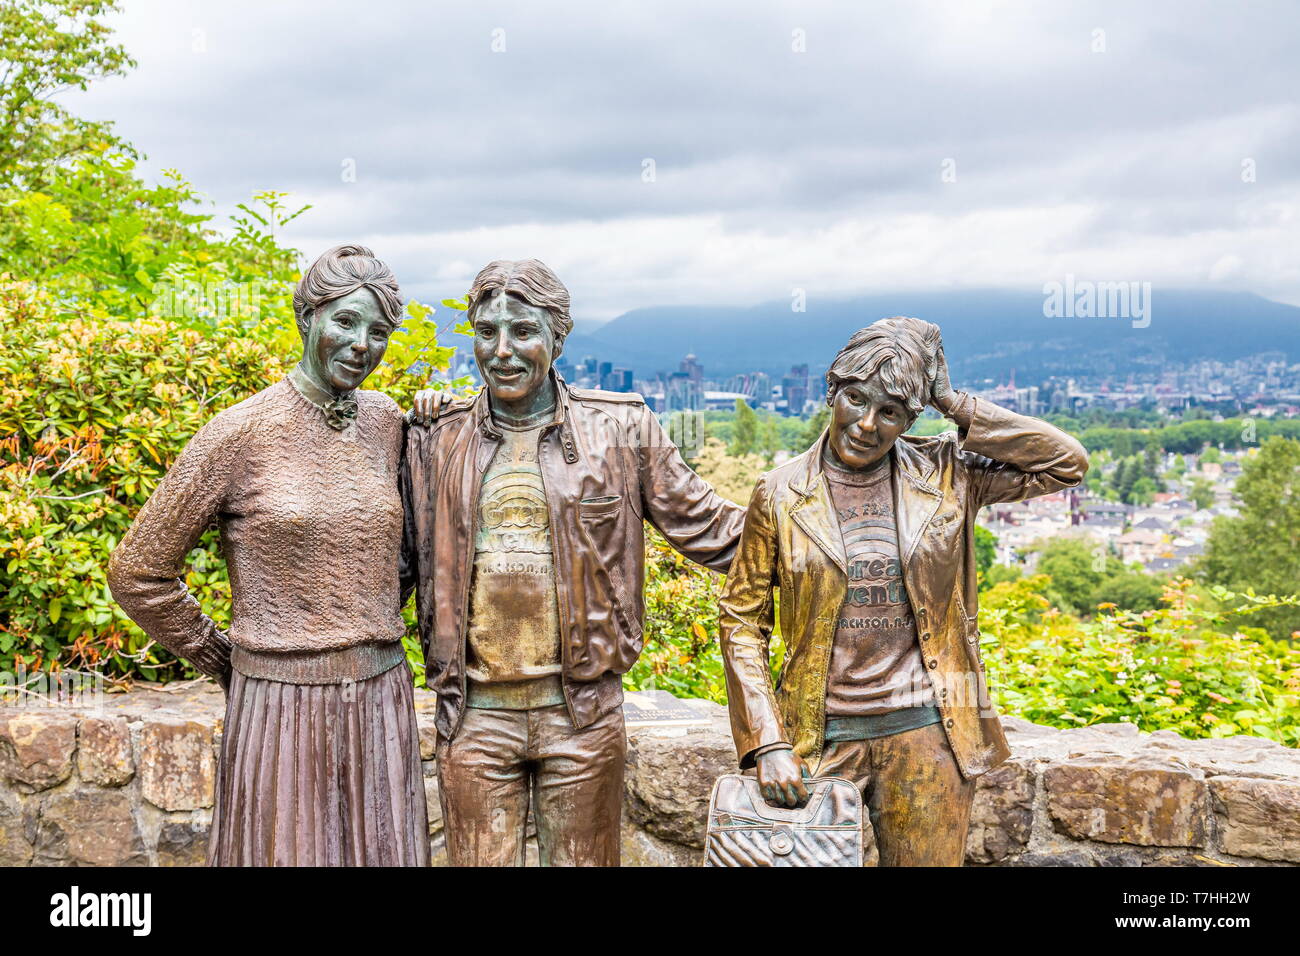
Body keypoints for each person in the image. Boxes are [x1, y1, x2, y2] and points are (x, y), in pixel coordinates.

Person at [402, 258, 744, 866]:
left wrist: (824, 520)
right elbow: (391, 564)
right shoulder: (435, 436)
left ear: (557, 337)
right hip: (473, 717)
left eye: (523, 332)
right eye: (487, 333)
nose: (502, 351)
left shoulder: (621, 428)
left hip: (582, 715)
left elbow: (711, 527)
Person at [718, 316, 1089, 866]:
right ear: (832, 392)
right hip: (816, 739)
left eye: (890, 411)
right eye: (856, 399)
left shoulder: (947, 474)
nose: (867, 424)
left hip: (928, 733)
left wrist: (955, 404)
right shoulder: (778, 493)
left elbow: (1066, 463)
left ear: (911, 417)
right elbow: (742, 620)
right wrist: (765, 741)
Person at [108, 244, 429, 866]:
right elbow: (139, 572)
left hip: (381, 695)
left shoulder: (386, 422)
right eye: (345, 321)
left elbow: (409, 549)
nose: (361, 344)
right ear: (307, 317)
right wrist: (222, 657)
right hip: (281, 703)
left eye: (378, 332)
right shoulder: (240, 433)